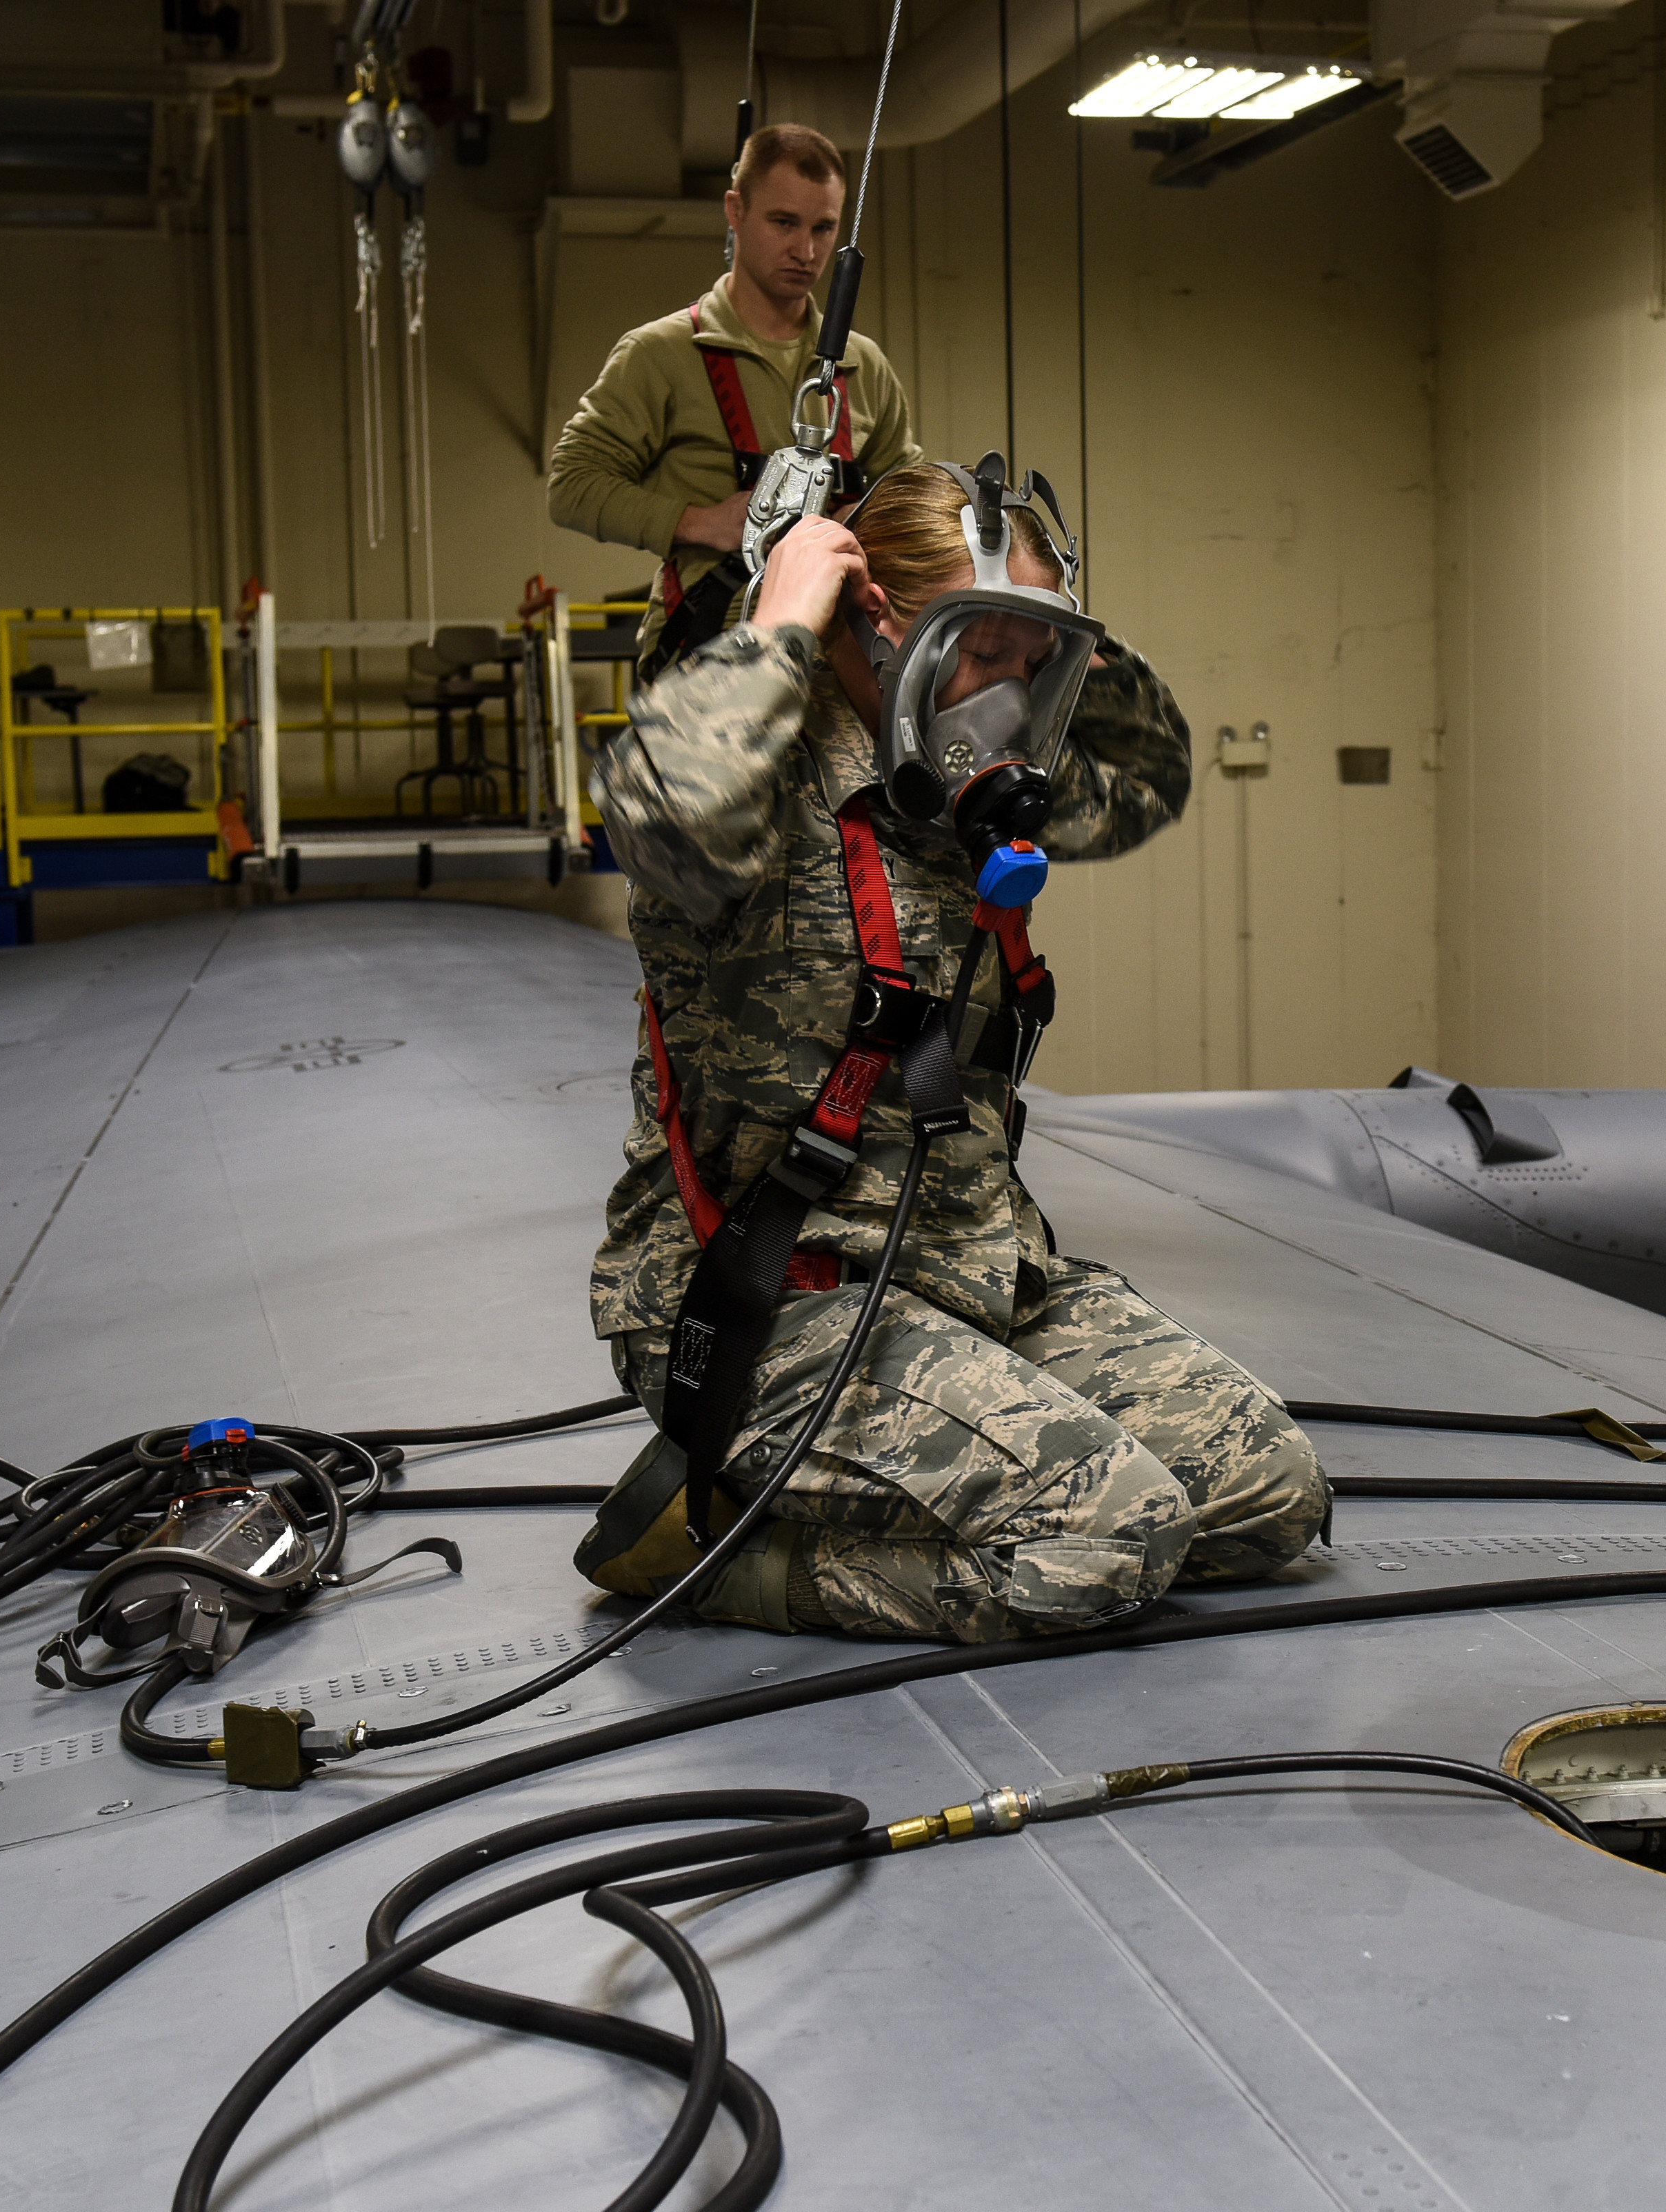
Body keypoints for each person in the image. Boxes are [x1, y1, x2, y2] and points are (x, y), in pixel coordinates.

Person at [575, 460, 1327, 1642]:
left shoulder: (963, 786)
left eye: (1034, 671)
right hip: (779, 1298)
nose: (1011, 702)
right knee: (1113, 1536)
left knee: (1268, 1495)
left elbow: (1146, 777)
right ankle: (709, 1555)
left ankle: (896, 1499)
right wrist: (777, 618)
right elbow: (666, 822)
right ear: (876, 623)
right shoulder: (752, 775)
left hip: (968, 1268)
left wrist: (1042, 612)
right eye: (983, 658)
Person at [545, 123, 923, 674]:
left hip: (840, 664)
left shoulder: (862, 367)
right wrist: (702, 522)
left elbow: (910, 501)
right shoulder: (662, 355)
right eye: (784, 223)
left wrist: (863, 520)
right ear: (735, 210)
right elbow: (572, 485)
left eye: (825, 228)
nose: (807, 250)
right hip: (708, 660)